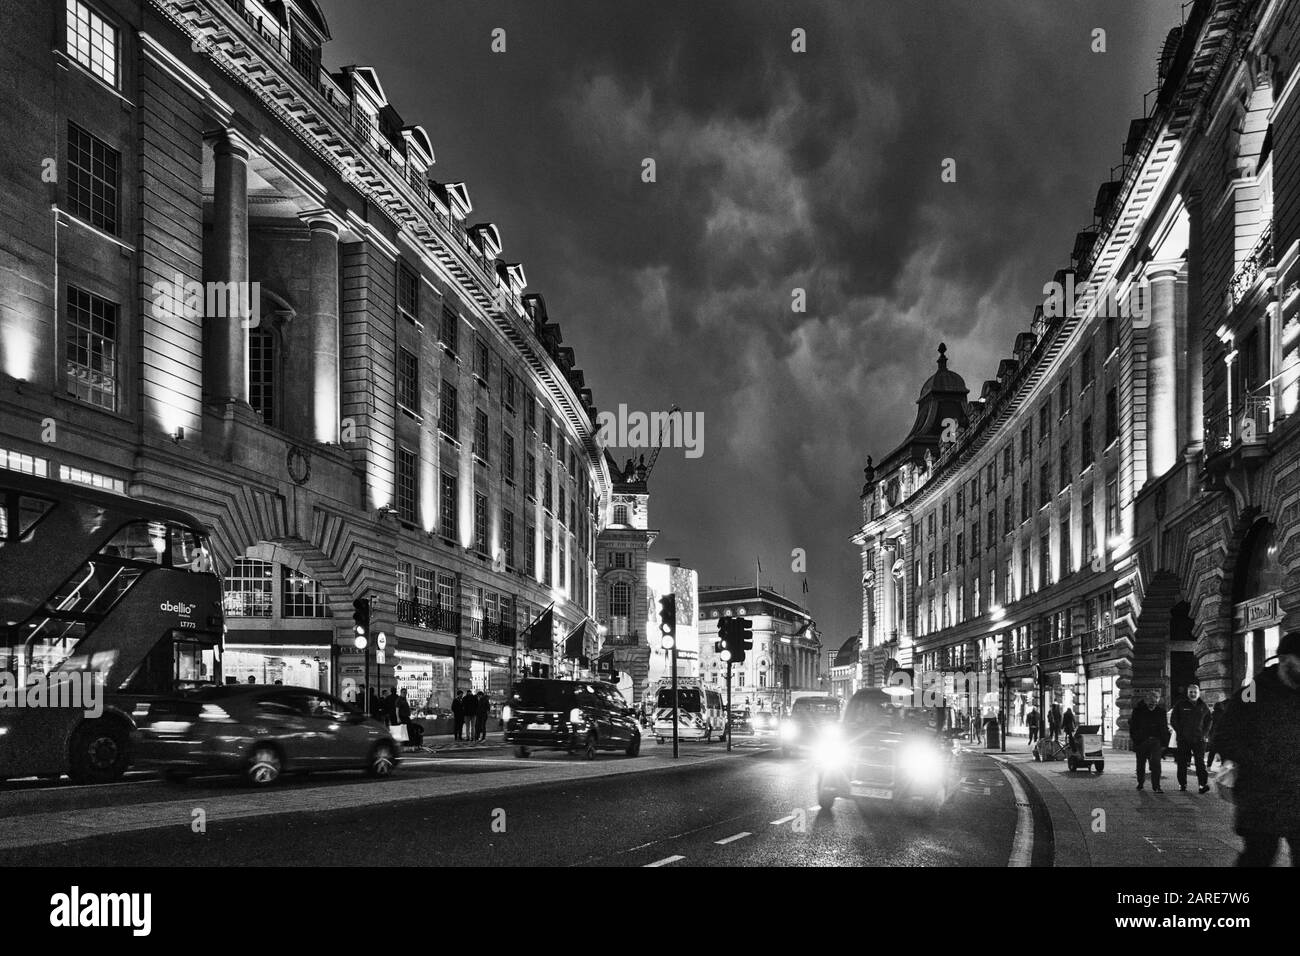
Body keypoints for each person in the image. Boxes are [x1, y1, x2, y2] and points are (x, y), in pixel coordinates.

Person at [1213, 631, 1300, 867]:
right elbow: (1224, 737)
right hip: (1260, 794)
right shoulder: (1253, 694)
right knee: (1259, 855)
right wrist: (1262, 760)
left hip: (1296, 792)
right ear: (1283, 660)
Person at [1170, 682, 1212, 793]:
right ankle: (1182, 784)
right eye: (1191, 692)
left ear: (1199, 693)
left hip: (1199, 739)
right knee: (1182, 762)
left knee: (1200, 763)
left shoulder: (1203, 706)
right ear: (1187, 693)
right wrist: (1180, 732)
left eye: (1195, 692)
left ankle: (1202, 785)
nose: (1193, 694)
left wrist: (1204, 734)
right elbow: (1173, 720)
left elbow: (1209, 721)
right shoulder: (1180, 705)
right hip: (1183, 739)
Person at [1130, 689, 1169, 792]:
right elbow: (1133, 727)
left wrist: (1164, 743)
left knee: (1156, 763)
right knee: (1140, 764)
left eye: (1156, 700)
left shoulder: (1161, 711)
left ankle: (1156, 786)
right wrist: (1136, 740)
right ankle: (1140, 783)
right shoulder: (1138, 711)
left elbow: (1164, 728)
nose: (1153, 703)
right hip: (1142, 741)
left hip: (1156, 741)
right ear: (1146, 699)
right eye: (1151, 700)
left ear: (1158, 700)